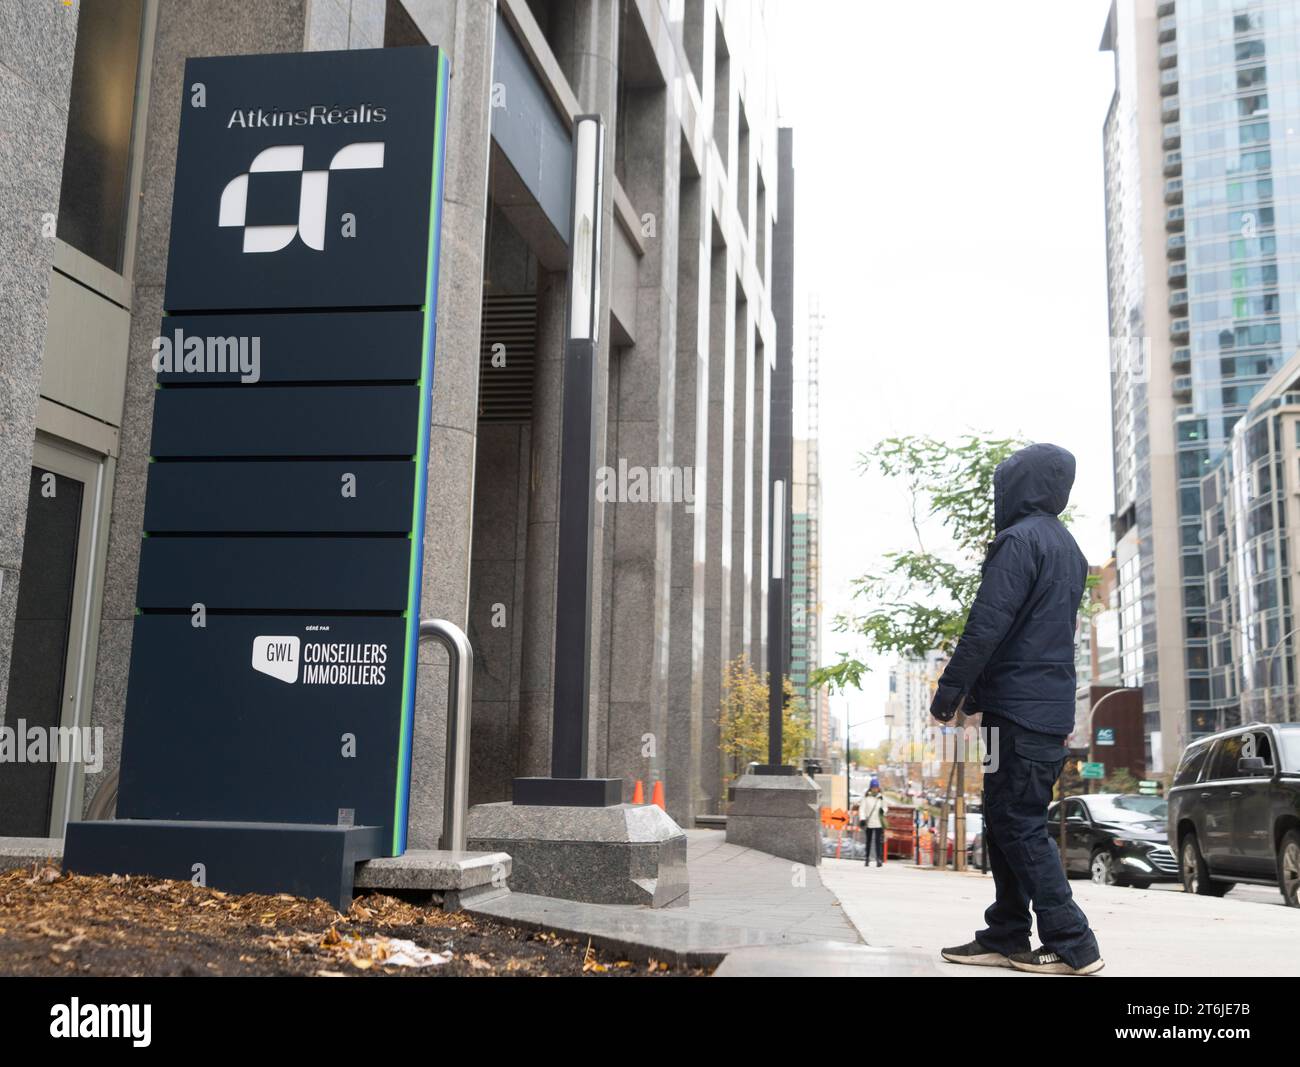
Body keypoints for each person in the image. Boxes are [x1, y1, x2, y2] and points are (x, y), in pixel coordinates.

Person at [931, 443, 1104, 976]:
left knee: (1019, 822)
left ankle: (1073, 943)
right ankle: (1005, 933)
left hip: (1022, 714)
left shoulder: (1019, 541)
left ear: (1020, 487)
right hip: (1034, 711)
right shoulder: (1067, 547)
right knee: (1004, 817)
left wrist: (949, 693)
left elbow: (988, 623)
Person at [856, 780, 886, 867]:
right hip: (869, 822)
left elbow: (885, 808)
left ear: (878, 788)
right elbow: (862, 809)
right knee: (868, 841)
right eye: (873, 787)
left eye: (876, 787)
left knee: (878, 842)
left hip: (878, 822)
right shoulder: (866, 798)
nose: (875, 789)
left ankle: (878, 859)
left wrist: (883, 811)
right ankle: (867, 858)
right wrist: (862, 819)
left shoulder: (881, 798)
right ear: (870, 788)